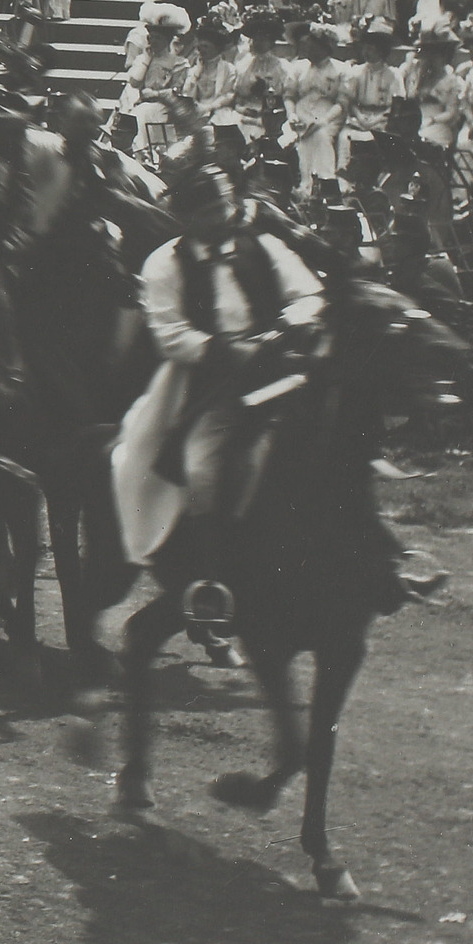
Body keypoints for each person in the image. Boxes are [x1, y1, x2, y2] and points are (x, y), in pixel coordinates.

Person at [109, 163, 327, 631]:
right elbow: (169, 333)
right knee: (202, 462)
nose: (223, 216)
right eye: (209, 210)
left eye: (225, 205)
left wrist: (291, 322)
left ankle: (370, 555)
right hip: (210, 384)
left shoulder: (265, 247)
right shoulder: (165, 263)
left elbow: (310, 293)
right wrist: (223, 349)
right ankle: (210, 581)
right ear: (186, 219)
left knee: (336, 438)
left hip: (280, 371)